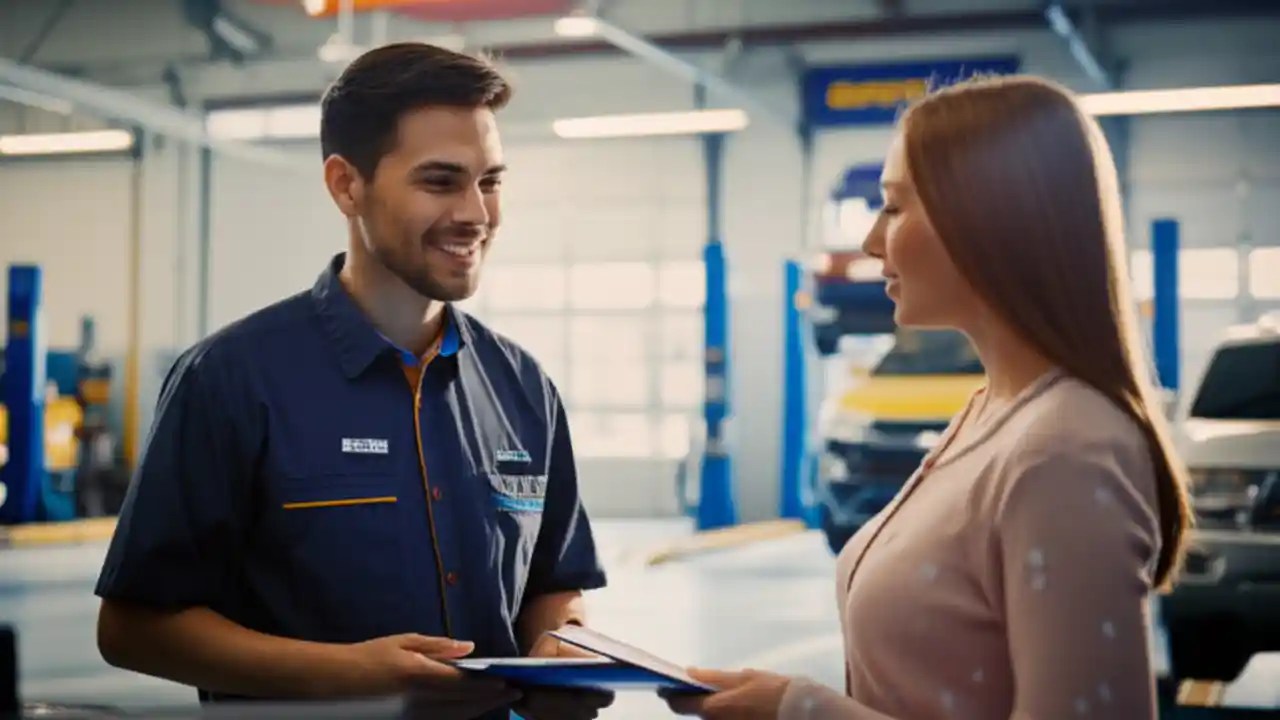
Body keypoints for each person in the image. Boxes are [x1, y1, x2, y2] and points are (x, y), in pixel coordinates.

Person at [95, 42, 612, 720]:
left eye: (489, 180)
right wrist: (345, 674)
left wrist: (563, 643)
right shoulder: (230, 381)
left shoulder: (523, 388)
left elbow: (556, 582)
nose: (477, 215)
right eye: (440, 181)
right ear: (347, 184)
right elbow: (132, 627)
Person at [667, 74, 1194, 720]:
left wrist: (800, 711)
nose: (869, 242)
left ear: (985, 215)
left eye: (893, 206)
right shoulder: (990, 415)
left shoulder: (1067, 446)